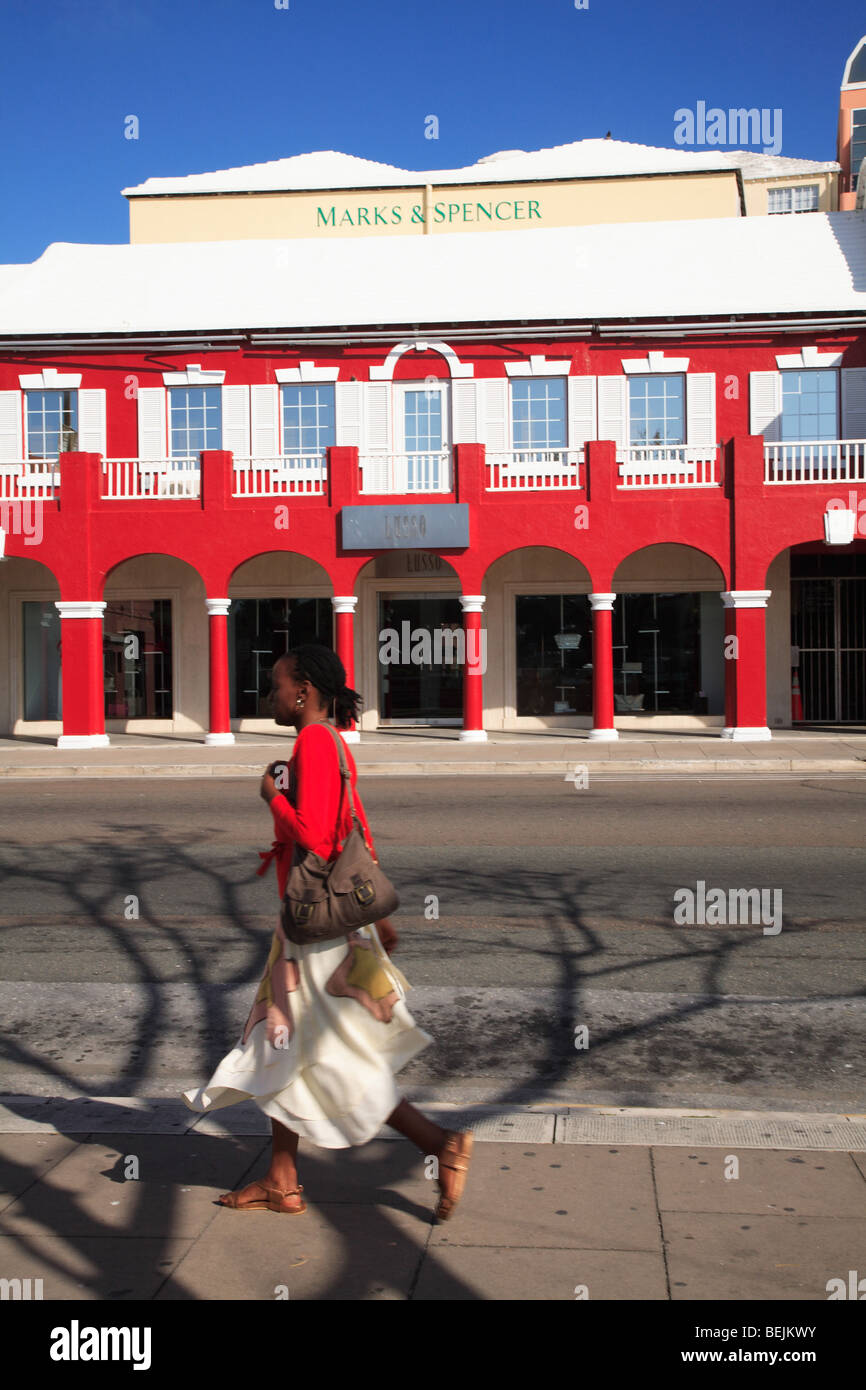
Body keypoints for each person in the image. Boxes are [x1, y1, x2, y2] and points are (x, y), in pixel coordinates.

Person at [183, 642, 473, 1221]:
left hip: (311, 928)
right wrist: (374, 913)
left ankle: (440, 1144)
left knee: (329, 1055)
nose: (270, 695)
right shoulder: (330, 743)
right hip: (313, 924)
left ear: (303, 692)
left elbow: (318, 837)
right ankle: (282, 1181)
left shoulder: (313, 741)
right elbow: (352, 825)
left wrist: (273, 800)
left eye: (275, 684)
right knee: (280, 1043)